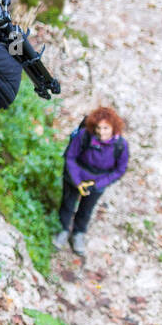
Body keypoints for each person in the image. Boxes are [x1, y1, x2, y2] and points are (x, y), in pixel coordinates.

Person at [55, 106, 129, 255]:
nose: (101, 132)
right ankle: (62, 229)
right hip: (75, 176)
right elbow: (70, 157)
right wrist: (77, 181)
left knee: (86, 208)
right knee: (68, 204)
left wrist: (98, 184)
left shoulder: (121, 145)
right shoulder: (84, 136)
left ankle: (78, 233)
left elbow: (119, 169)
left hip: (98, 181)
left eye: (106, 128)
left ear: (113, 128)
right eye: (98, 128)